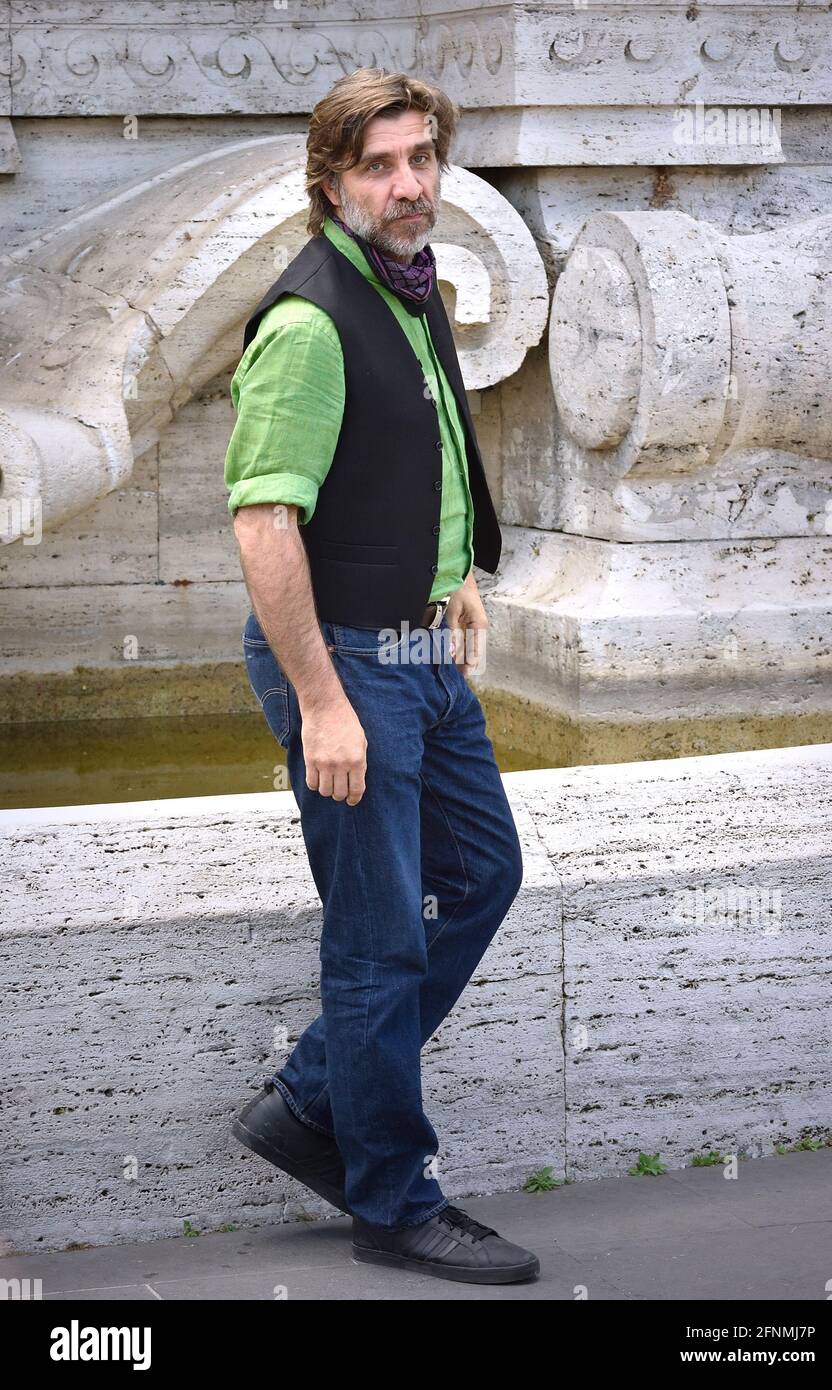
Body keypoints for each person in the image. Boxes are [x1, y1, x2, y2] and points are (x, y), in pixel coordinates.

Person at [224, 65, 538, 1286]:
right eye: (379, 166)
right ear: (330, 182)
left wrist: (455, 569)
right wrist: (318, 702)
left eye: (421, 159)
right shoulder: (308, 324)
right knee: (375, 946)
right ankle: (392, 1198)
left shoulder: (409, 291)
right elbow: (264, 525)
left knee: (484, 873)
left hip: (417, 645)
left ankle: (312, 1099)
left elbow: (426, 450)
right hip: (346, 664)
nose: (409, 185)